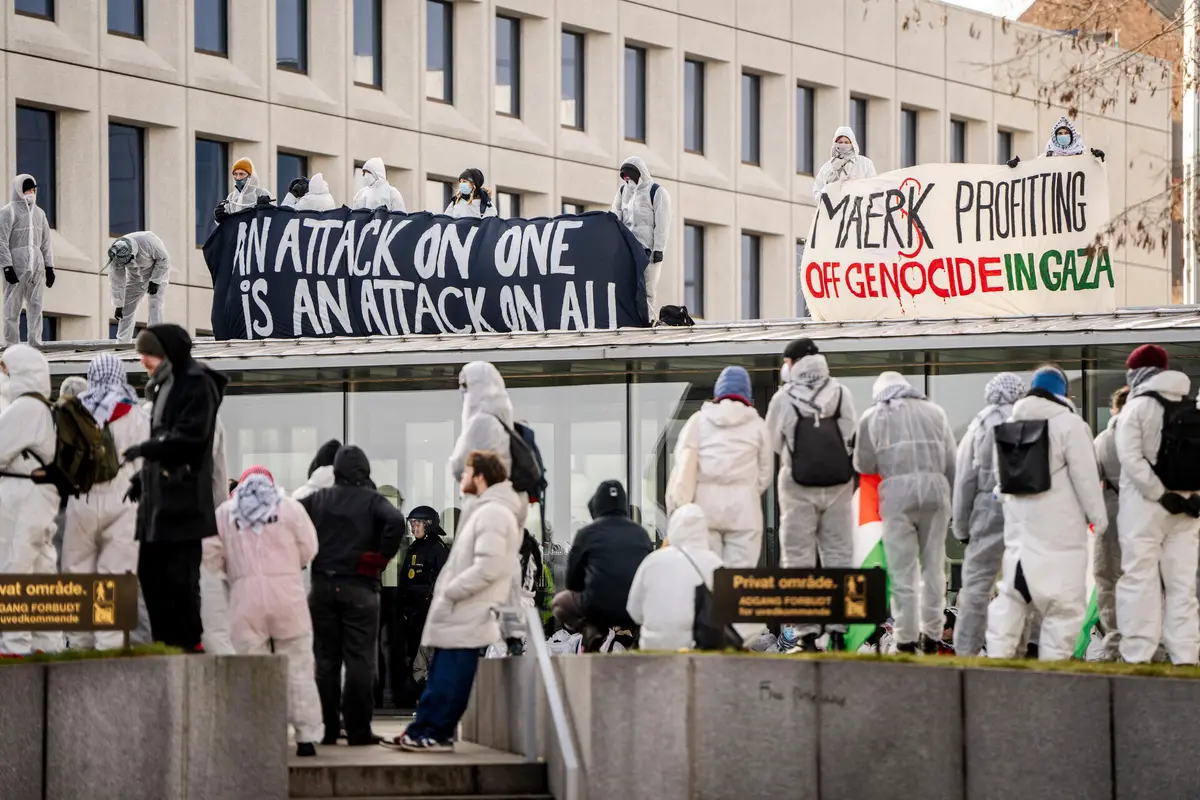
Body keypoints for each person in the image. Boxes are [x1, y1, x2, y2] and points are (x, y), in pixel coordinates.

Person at [390, 450, 523, 752]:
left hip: (467, 614)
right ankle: (425, 731)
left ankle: (434, 734)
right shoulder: (485, 510)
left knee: (451, 679)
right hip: (458, 615)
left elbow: (492, 568)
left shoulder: (492, 513)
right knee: (440, 678)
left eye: (464, 473)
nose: (460, 478)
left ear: (479, 477)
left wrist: (450, 591)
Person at [985, 366, 1108, 661]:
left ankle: (997, 659)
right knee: (1062, 607)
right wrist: (1100, 522)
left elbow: (998, 482)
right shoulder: (1070, 424)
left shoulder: (1010, 423)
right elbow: (1087, 480)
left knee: (1013, 597)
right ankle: (1053, 672)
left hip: (1020, 534)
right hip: (1061, 535)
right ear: (1063, 392)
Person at [206, 468, 323, 757]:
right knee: (298, 667)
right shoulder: (289, 507)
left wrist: (235, 573)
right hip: (288, 597)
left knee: (250, 668)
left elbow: (210, 555)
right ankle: (306, 736)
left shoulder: (225, 512)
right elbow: (310, 547)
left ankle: (257, 734)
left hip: (245, 599)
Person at [123, 325, 227, 652]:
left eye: (149, 354)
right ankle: (164, 641)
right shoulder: (163, 386)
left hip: (182, 502)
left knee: (180, 579)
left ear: (169, 353)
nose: (144, 361)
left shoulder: (196, 384)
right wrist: (142, 479)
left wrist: (148, 451)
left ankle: (186, 642)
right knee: (151, 575)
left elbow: (192, 438)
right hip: (159, 501)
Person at [299, 444, 404, 746]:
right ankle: (358, 730)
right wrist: (379, 558)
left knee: (326, 660)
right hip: (359, 586)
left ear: (336, 472)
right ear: (365, 471)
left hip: (321, 587)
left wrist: (304, 554)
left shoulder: (317, 499)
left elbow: (292, 516)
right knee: (360, 660)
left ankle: (327, 728)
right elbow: (396, 522)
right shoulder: (372, 501)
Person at [764, 338, 858, 651]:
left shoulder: (783, 397)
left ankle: (804, 632)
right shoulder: (841, 392)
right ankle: (837, 629)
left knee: (798, 558)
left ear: (793, 362)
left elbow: (773, 442)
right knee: (838, 555)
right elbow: (848, 432)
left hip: (797, 485)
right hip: (837, 484)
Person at [854, 371, 956, 654]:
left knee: (903, 571)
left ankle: (907, 636)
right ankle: (932, 633)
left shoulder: (873, 416)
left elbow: (863, 464)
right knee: (933, 568)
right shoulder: (935, 412)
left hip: (897, 499)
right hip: (936, 495)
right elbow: (951, 460)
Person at [1116, 345, 1200, 665]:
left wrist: (1159, 494)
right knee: (1182, 585)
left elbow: (1130, 456)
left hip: (1144, 509)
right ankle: (1186, 655)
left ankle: (1138, 653)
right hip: (1189, 507)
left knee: (1140, 580)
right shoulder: (1191, 404)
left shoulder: (1137, 407)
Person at [60, 354, 150, 651]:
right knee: (114, 577)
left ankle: (80, 642)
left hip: (81, 500)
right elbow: (144, 466)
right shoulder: (134, 414)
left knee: (78, 572)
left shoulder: (74, 411)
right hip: (123, 500)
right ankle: (109, 646)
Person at [951, 372, 1027, 657]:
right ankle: (1018, 650)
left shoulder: (979, 426)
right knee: (1022, 585)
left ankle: (966, 653)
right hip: (1023, 510)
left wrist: (961, 528)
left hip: (987, 510)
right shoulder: (1029, 421)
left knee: (976, 588)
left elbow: (964, 481)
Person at [668, 366, 771, 568]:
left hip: (705, 505)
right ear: (746, 394)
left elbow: (683, 461)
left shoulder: (698, 420)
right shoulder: (758, 424)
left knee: (708, 570)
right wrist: (747, 489)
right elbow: (765, 474)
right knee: (738, 576)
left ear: (718, 391)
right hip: (744, 508)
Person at [0, 345, 62, 655]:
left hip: (22, 497)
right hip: (40, 497)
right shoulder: (45, 407)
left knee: (14, 568)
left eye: (6, 370)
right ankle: (45, 644)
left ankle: (14, 645)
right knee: (41, 572)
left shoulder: (24, 408)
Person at [551, 480, 653, 650]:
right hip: (634, 608)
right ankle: (637, 638)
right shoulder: (641, 533)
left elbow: (572, 583)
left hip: (597, 608)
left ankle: (590, 631)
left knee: (559, 602)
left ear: (596, 505)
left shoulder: (586, 533)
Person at [626, 504, 723, 651]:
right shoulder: (715, 564)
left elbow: (634, 611)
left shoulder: (652, 561)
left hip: (652, 647)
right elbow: (727, 614)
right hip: (697, 646)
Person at [392, 505, 450, 708]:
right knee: (412, 654)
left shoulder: (438, 550)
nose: (414, 528)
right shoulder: (414, 548)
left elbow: (444, 584)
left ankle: (425, 696)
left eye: (418, 524)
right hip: (411, 613)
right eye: (412, 524)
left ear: (429, 526)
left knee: (424, 657)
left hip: (429, 612)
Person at [610, 156, 671, 321]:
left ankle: (648, 320)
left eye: (630, 174)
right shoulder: (623, 192)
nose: (627, 179)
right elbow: (615, 215)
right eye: (625, 176)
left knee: (648, 290)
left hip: (648, 251)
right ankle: (630, 321)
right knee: (628, 287)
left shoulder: (656, 192)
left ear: (640, 173)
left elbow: (663, 223)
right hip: (628, 249)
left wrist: (659, 249)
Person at [1094, 386, 1129, 660]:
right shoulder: (1157, 435)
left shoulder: (1104, 440)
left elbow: (1090, 482)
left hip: (1111, 518)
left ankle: (1115, 643)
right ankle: (1157, 644)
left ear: (1114, 409)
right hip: (1156, 516)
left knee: (1108, 581)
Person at [0, 174, 54, 347]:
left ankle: (35, 343)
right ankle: (11, 345)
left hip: (36, 268)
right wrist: (7, 266)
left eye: (33, 190)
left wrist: (49, 266)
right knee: (11, 308)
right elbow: (1, 240)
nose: (31, 193)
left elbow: (46, 242)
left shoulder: (39, 213)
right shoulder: (8, 211)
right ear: (19, 191)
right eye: (28, 190)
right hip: (16, 266)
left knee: (36, 307)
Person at [449, 361, 514, 480]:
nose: (462, 392)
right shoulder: (501, 418)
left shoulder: (482, 422)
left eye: (465, 385)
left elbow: (459, 467)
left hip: (482, 492)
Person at [106, 231, 171, 344]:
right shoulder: (116, 255)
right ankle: (122, 342)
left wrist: (155, 280)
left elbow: (164, 259)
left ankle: (155, 339)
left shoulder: (148, 241)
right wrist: (118, 304)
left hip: (157, 272)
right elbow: (117, 281)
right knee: (126, 309)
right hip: (136, 278)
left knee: (155, 304)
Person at [1006, 115, 1105, 167]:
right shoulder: (1047, 157)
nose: (1063, 135)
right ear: (1055, 137)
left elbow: (1094, 173)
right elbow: (1032, 172)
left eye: (1066, 133)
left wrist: (1097, 158)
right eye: (1060, 134)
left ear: (1072, 135)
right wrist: (1017, 167)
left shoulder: (1081, 156)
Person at [812, 127, 876, 202]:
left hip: (858, 210)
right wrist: (828, 191)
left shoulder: (865, 164)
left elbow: (874, 187)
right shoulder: (828, 167)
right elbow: (817, 192)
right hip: (835, 211)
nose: (843, 145)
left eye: (846, 142)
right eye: (840, 142)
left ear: (852, 143)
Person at [213, 157, 272, 223]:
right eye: (235, 174)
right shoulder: (231, 197)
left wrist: (267, 208)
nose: (238, 178)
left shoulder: (261, 194)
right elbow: (226, 226)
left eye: (241, 174)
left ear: (250, 176)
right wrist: (218, 217)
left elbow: (272, 219)